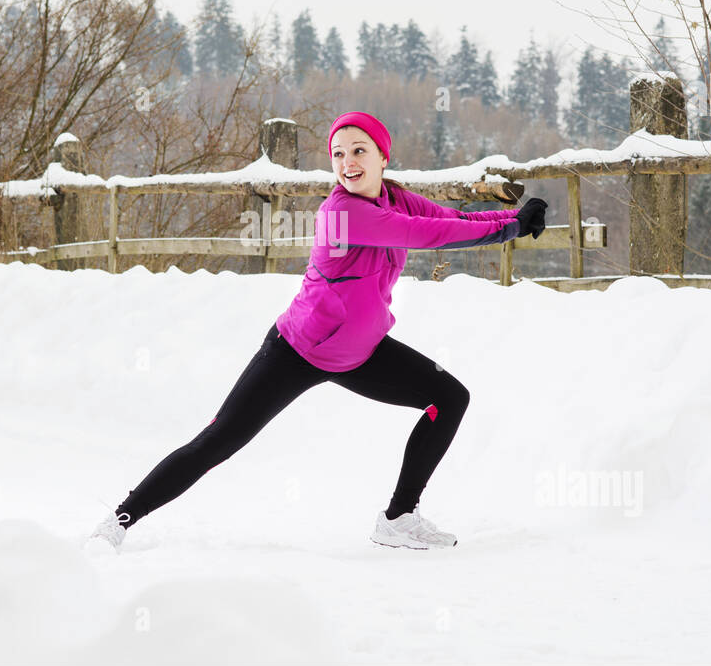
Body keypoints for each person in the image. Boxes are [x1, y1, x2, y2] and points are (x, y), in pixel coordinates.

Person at [87, 111, 548, 553]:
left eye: (359, 151)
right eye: (338, 154)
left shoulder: (393, 196)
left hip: (362, 351)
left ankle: (398, 520)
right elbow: (424, 235)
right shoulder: (342, 213)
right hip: (298, 350)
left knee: (449, 397)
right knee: (219, 440)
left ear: (383, 157)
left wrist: (514, 220)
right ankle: (118, 522)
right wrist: (509, 230)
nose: (348, 162)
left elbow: (449, 220)